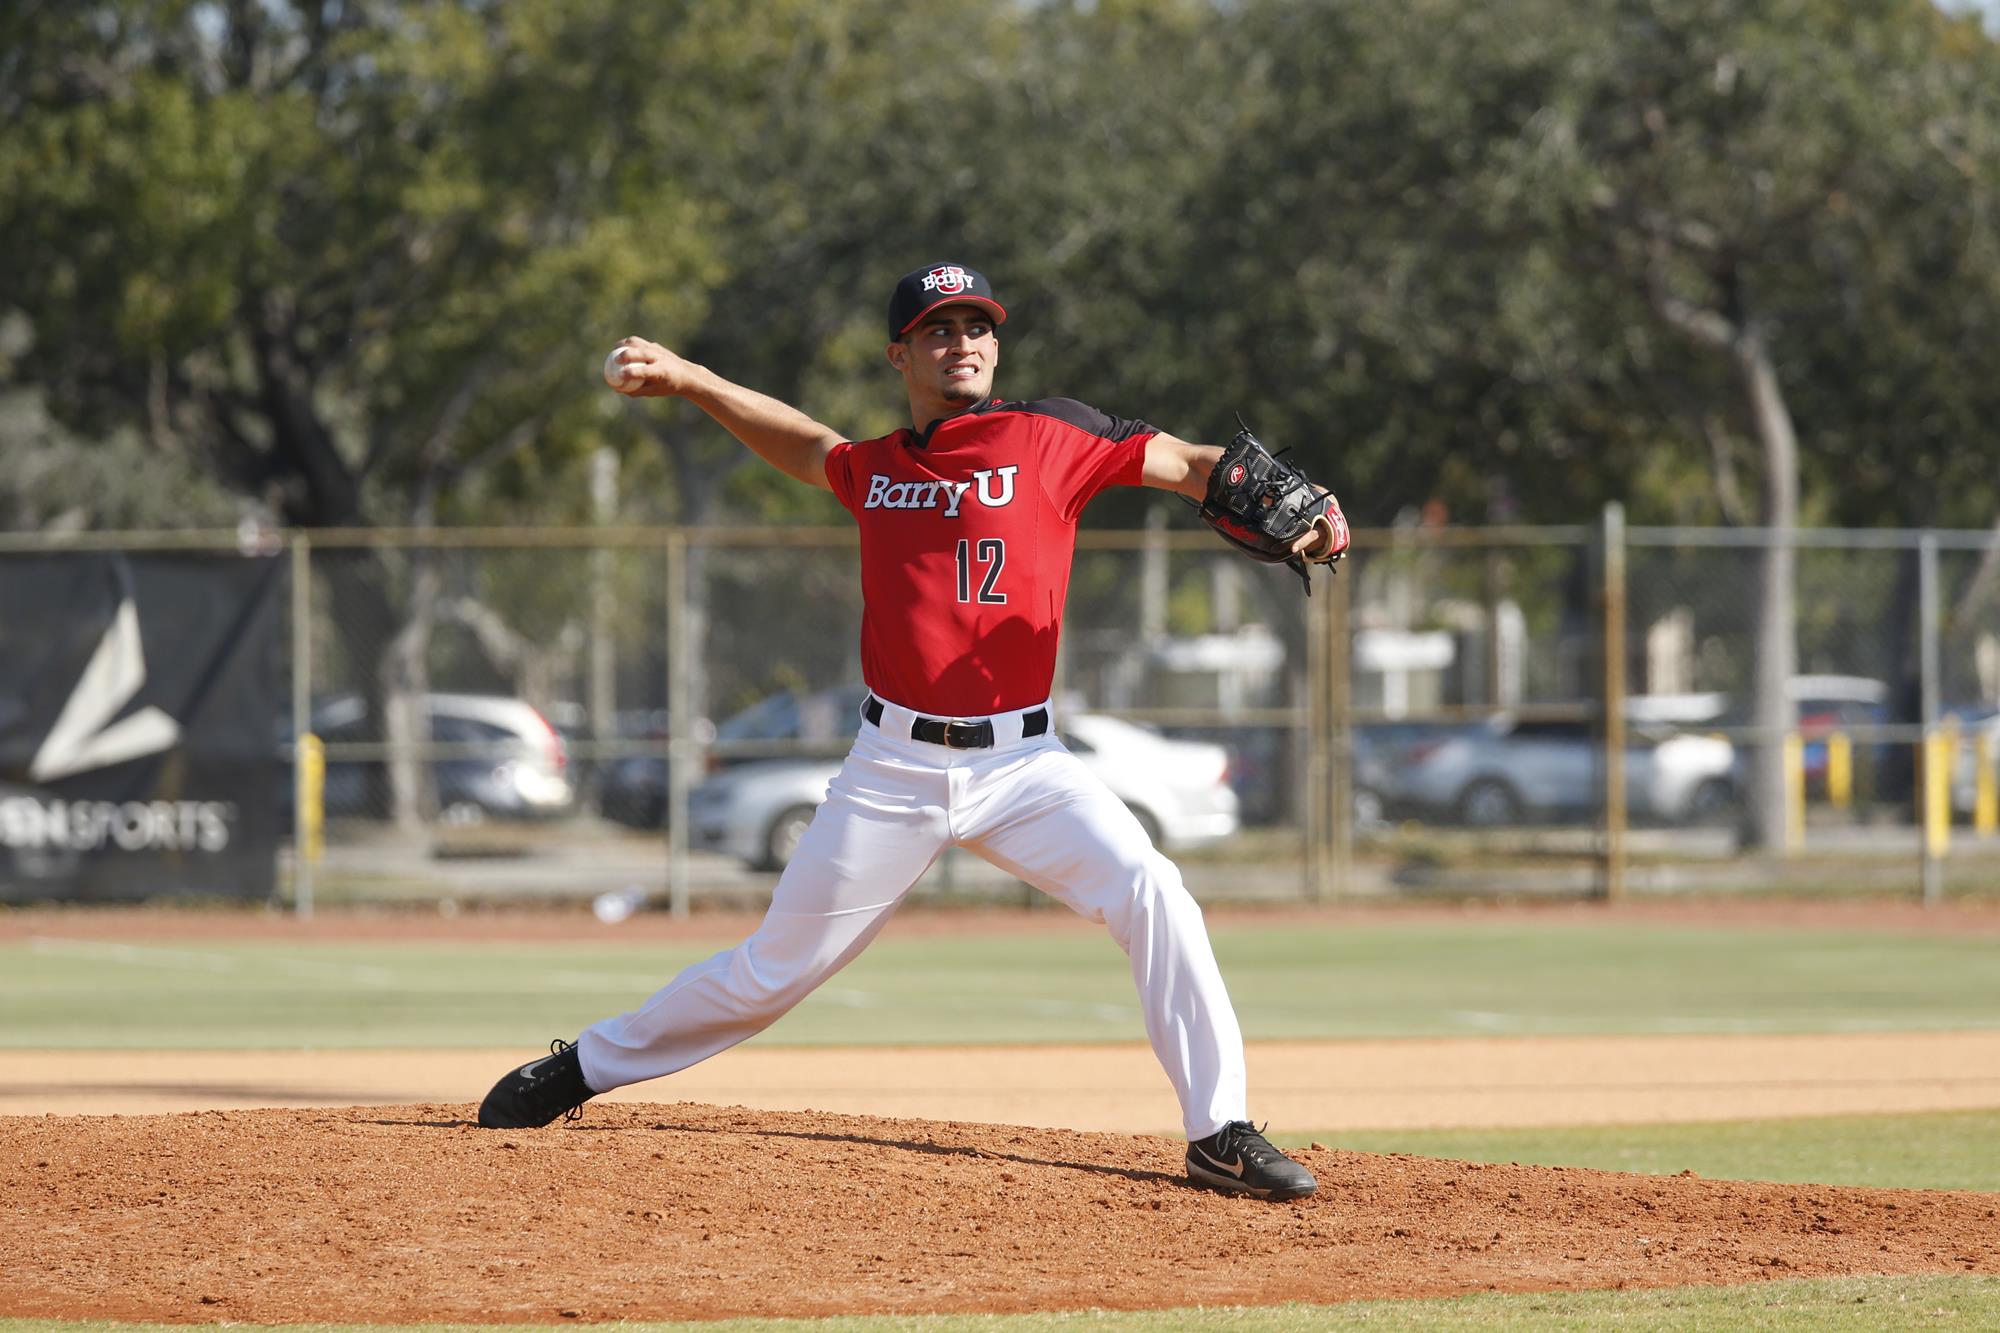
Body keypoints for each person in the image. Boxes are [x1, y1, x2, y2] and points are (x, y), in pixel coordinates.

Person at [477, 262, 1346, 1201]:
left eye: (976, 326)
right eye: (937, 329)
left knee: (1152, 887)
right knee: (774, 968)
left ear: (997, 345)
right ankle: (586, 1067)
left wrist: (1312, 505)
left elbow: (1183, 462)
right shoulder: (879, 466)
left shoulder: (1050, 433)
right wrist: (692, 379)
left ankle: (1219, 1130)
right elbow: (807, 444)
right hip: (890, 766)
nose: (961, 342)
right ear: (901, 353)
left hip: (1025, 765)